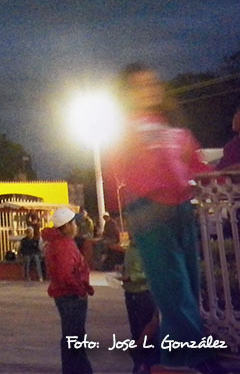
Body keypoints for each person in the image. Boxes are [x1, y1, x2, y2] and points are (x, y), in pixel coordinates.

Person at [106, 63, 221, 373]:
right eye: (138, 86)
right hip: (152, 213)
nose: (148, 90)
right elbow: (119, 168)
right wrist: (152, 193)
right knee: (176, 291)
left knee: (188, 290)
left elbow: (198, 165)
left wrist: (216, 180)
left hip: (182, 210)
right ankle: (198, 358)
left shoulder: (173, 129)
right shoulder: (125, 130)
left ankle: (165, 361)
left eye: (152, 83)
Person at [43, 206, 93, 374]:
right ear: (66, 226)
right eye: (74, 223)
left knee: (71, 338)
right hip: (71, 296)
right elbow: (65, 274)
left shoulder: (55, 243)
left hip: (64, 295)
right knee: (75, 340)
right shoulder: (64, 245)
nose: (76, 226)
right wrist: (80, 289)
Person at [117, 239, 158, 374]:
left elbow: (152, 271)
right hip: (130, 294)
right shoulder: (131, 247)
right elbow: (133, 266)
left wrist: (131, 277)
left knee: (145, 332)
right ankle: (139, 364)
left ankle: (146, 365)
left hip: (143, 294)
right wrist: (123, 268)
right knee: (135, 330)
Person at [216, 103, 240, 170]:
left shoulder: (233, 146)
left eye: (238, 113)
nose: (234, 116)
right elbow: (219, 169)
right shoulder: (232, 145)